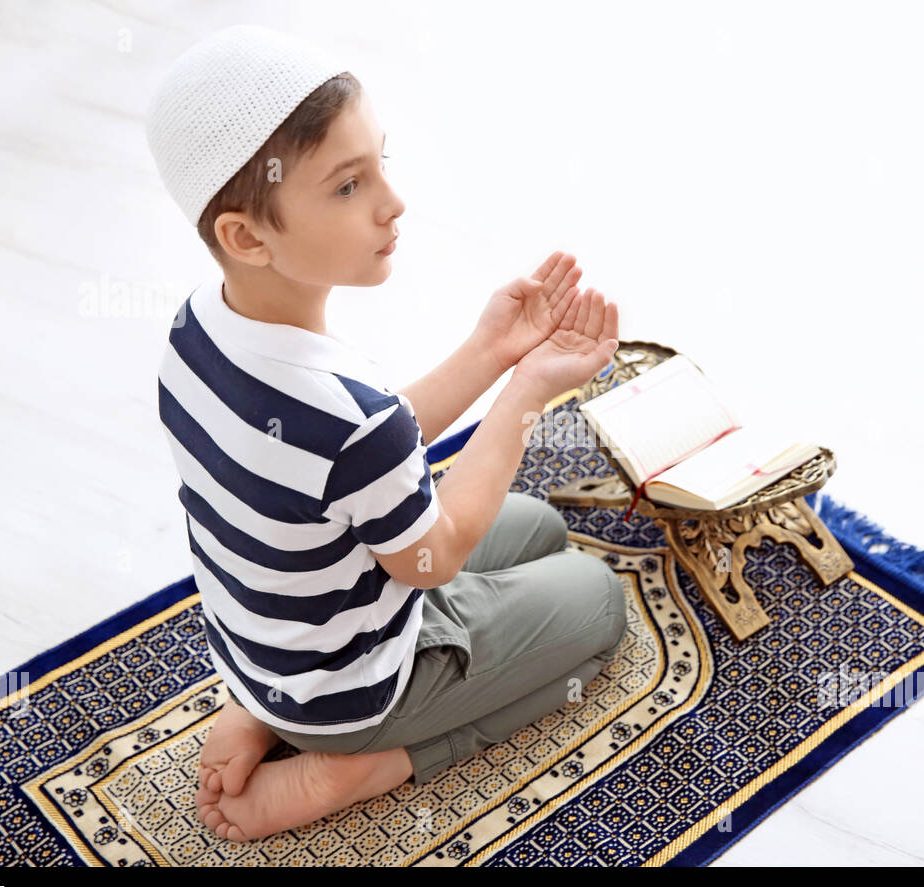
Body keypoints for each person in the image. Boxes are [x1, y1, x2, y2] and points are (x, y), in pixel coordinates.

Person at [144, 24, 625, 842]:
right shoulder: (347, 412)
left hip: (267, 653)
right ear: (247, 234)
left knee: (543, 526)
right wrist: (524, 393)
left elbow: (348, 460)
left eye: (381, 166)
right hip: (353, 689)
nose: (391, 203)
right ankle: (363, 764)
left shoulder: (193, 334)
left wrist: (488, 351)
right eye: (347, 186)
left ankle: (261, 714)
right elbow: (435, 557)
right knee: (599, 603)